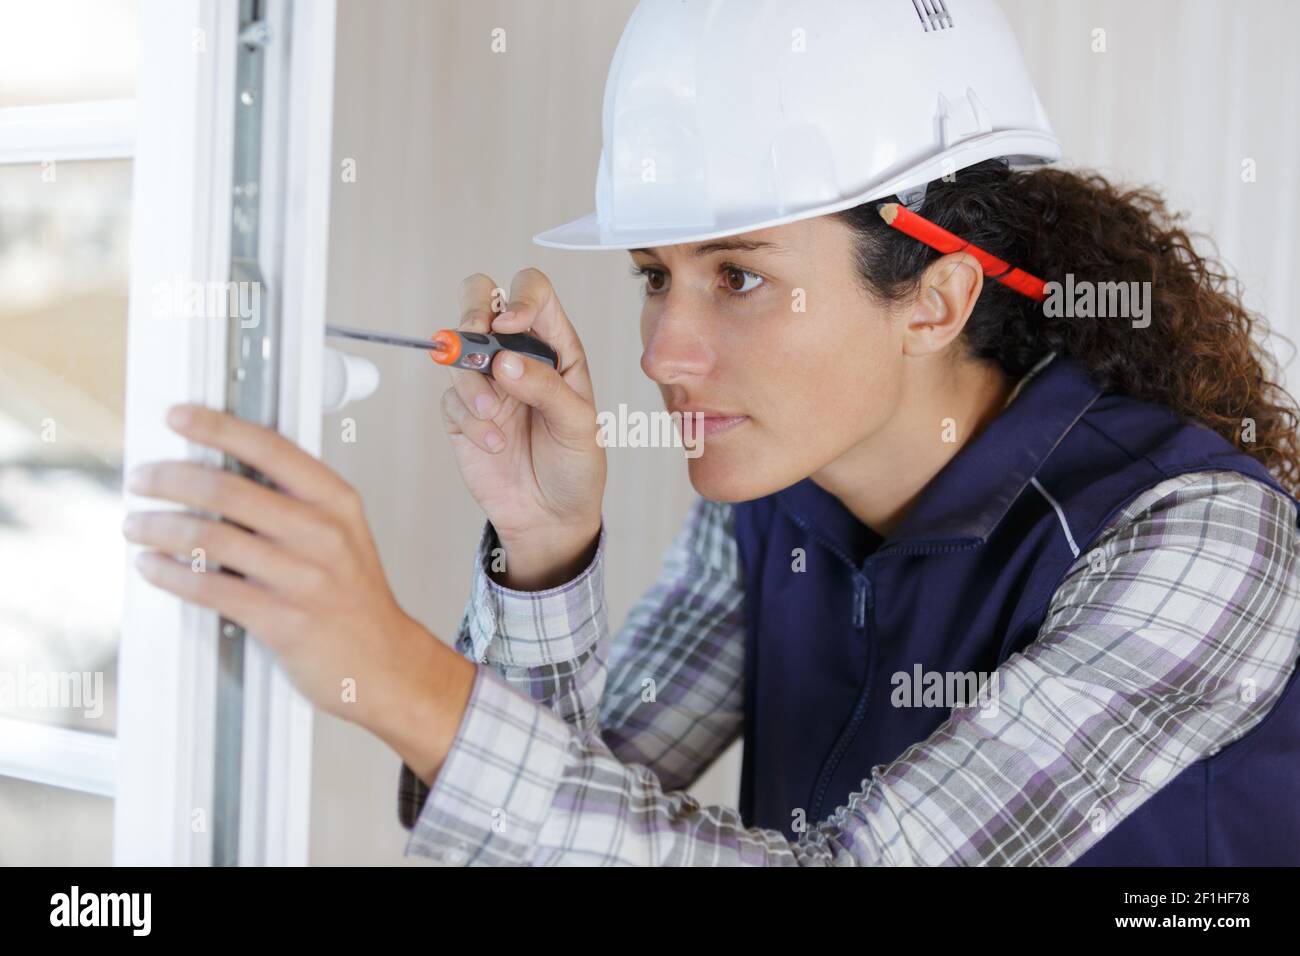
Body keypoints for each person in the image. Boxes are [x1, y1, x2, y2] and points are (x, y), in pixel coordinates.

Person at [123, 0, 1300, 865]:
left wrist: (392, 667)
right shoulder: (775, 508)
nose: (659, 350)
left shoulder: (1201, 539)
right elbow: (560, 828)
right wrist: (542, 547)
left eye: (737, 276)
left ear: (936, 297)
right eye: (653, 275)